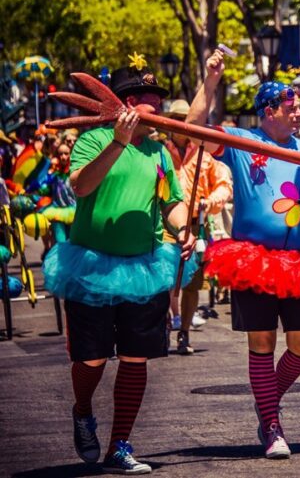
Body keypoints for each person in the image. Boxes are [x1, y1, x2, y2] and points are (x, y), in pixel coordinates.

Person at [186, 51, 300, 460]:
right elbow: (193, 131)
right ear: (269, 111)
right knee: (263, 340)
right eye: (292, 108)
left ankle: (266, 401)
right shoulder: (242, 142)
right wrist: (211, 80)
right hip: (252, 259)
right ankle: (272, 425)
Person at [42, 61, 195, 474]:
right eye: (150, 101)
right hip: (91, 267)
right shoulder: (93, 139)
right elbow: (81, 186)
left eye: (160, 101)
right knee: (91, 359)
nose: (158, 108)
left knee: (135, 358)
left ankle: (119, 446)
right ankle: (82, 409)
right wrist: (118, 143)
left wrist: (183, 229)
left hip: (145, 267)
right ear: (126, 103)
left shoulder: (160, 151)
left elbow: (171, 201)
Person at [161, 100, 233, 355]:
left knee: (192, 283)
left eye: (186, 119)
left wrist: (210, 201)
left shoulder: (205, 153)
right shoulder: (159, 150)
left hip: (195, 224)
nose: (181, 124)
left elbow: (223, 185)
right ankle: (165, 324)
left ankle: (184, 332)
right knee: (163, 280)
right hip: (163, 224)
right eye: (177, 119)